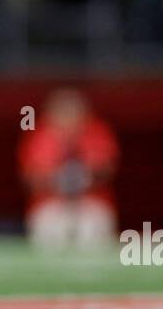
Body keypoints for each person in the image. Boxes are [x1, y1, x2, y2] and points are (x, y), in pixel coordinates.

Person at [19, 89, 119, 248]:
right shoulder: (40, 136)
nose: (68, 117)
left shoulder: (96, 132)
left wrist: (83, 178)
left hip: (90, 201)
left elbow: (107, 171)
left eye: (73, 111)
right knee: (50, 227)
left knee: (91, 227)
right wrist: (57, 181)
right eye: (63, 112)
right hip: (50, 203)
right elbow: (31, 179)